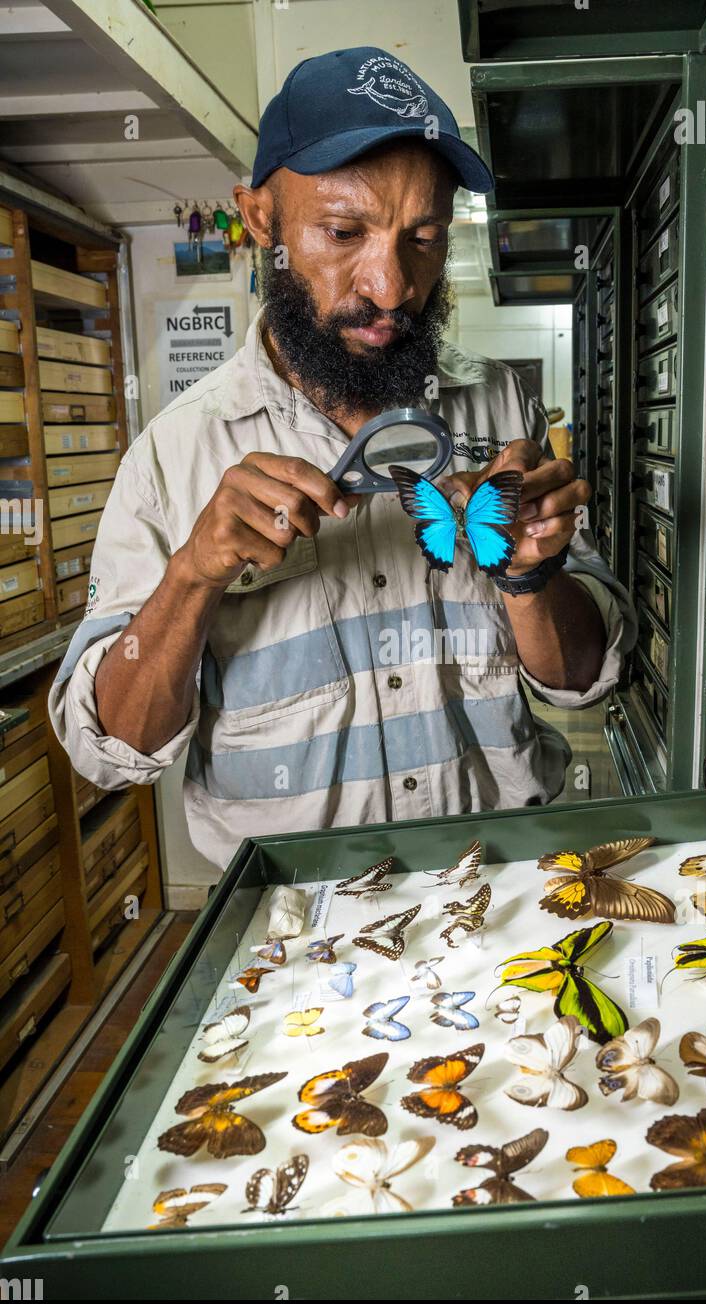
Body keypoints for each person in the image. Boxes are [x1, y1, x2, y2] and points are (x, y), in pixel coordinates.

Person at [50, 47, 637, 870]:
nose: (392, 286)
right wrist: (192, 577)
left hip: (498, 887)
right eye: (343, 232)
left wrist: (530, 578)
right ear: (259, 219)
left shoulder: (498, 406)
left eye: (424, 238)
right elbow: (108, 749)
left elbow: (582, 679)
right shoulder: (173, 455)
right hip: (301, 923)